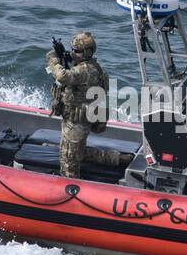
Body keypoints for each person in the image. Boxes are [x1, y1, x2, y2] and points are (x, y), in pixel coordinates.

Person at [45, 31, 129, 178]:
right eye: (73, 50)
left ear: (88, 52)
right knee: (80, 152)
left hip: (77, 119)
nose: (74, 53)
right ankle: (116, 159)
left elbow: (62, 76)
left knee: (69, 157)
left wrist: (54, 61)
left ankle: (70, 186)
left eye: (77, 51)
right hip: (83, 116)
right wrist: (66, 56)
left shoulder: (85, 70)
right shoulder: (93, 67)